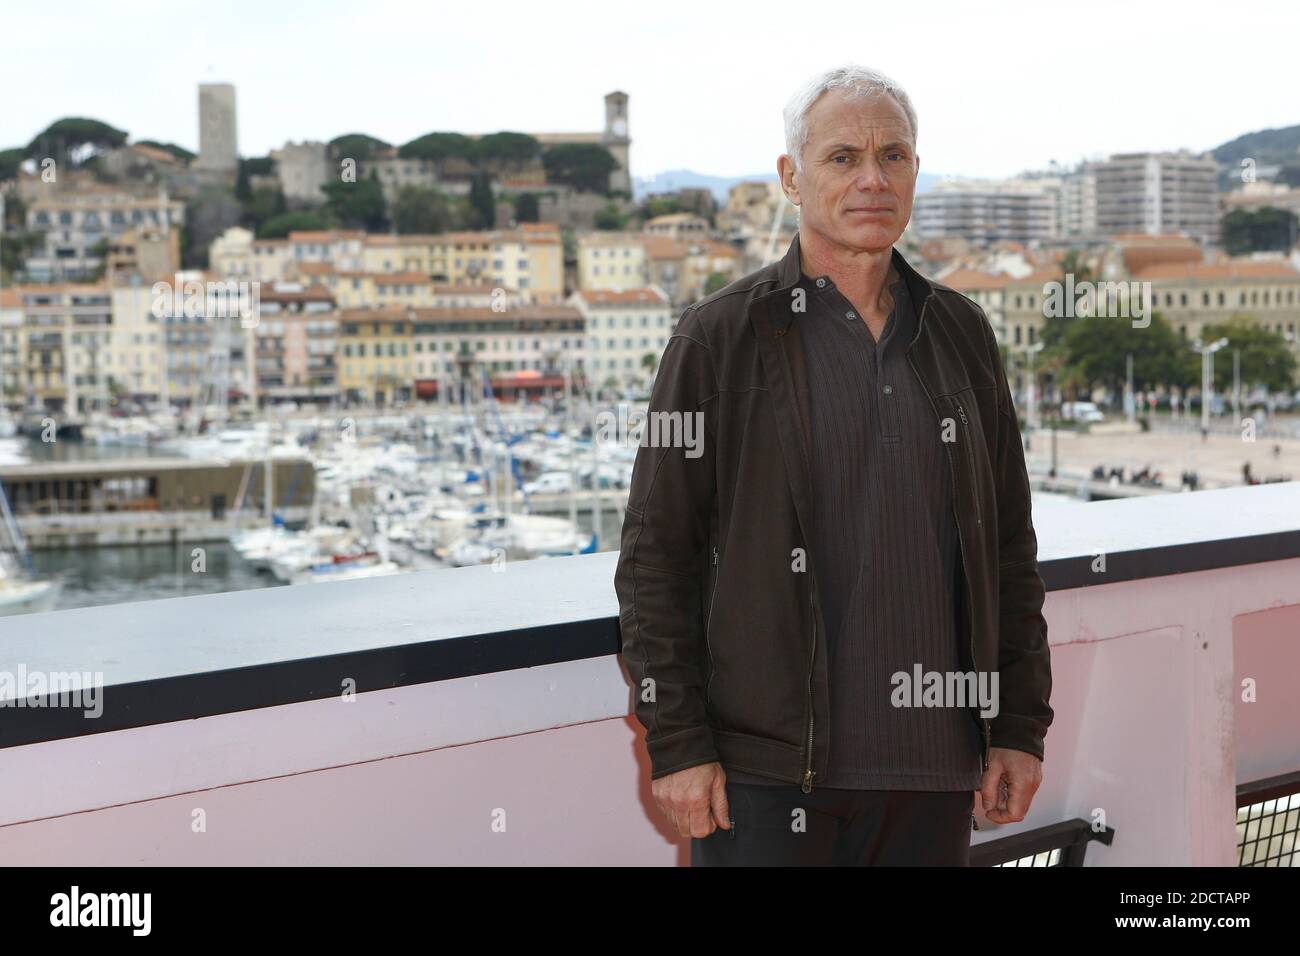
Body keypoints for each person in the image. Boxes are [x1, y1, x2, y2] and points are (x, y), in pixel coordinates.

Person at [614, 65, 1053, 866]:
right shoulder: (716, 340)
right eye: (843, 158)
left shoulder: (962, 335)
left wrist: (1018, 726)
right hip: (766, 775)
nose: (872, 179)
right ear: (791, 177)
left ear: (917, 171)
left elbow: (1010, 551)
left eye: (894, 156)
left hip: (934, 768)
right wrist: (677, 742)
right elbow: (654, 558)